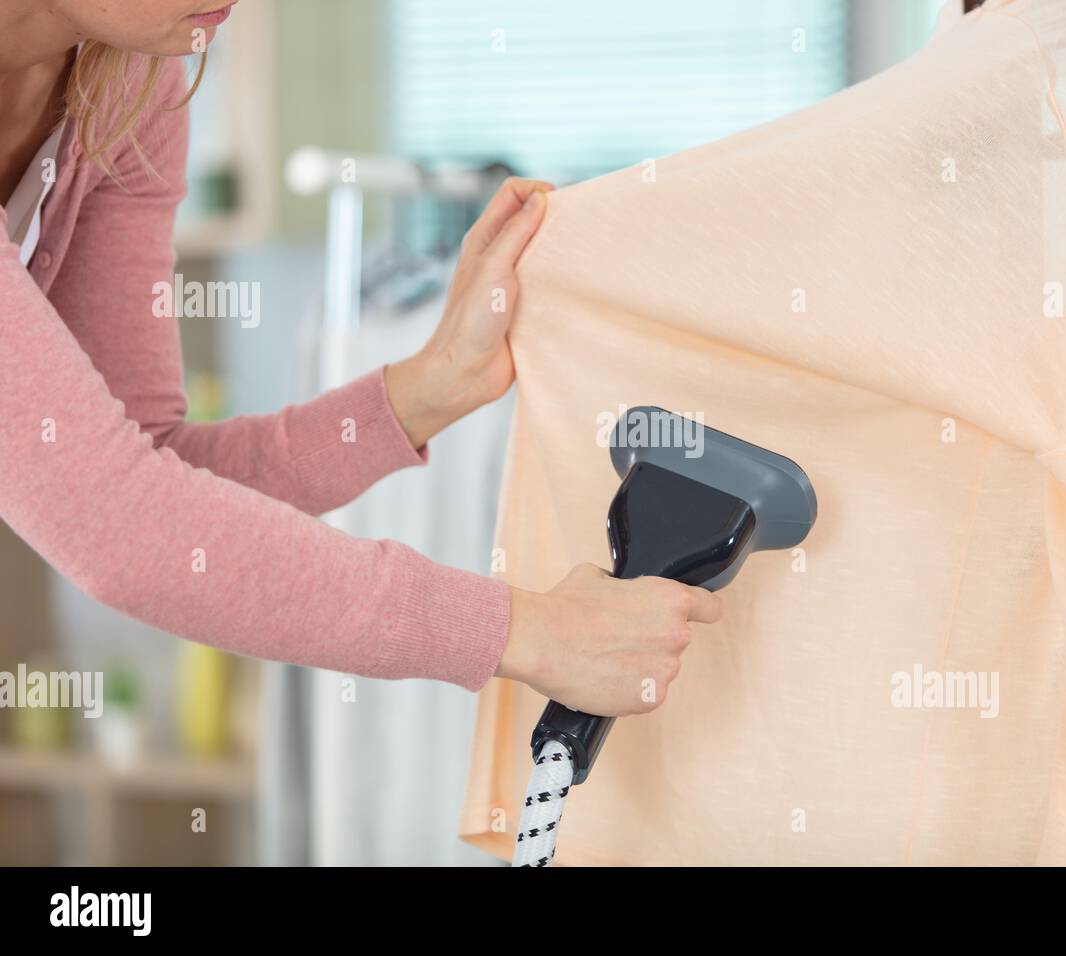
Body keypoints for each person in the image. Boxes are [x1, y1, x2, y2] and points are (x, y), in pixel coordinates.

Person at [0, 0, 722, 718]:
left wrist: (428, 388)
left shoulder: (131, 81)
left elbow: (163, 475)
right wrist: (525, 631)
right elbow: (120, 529)